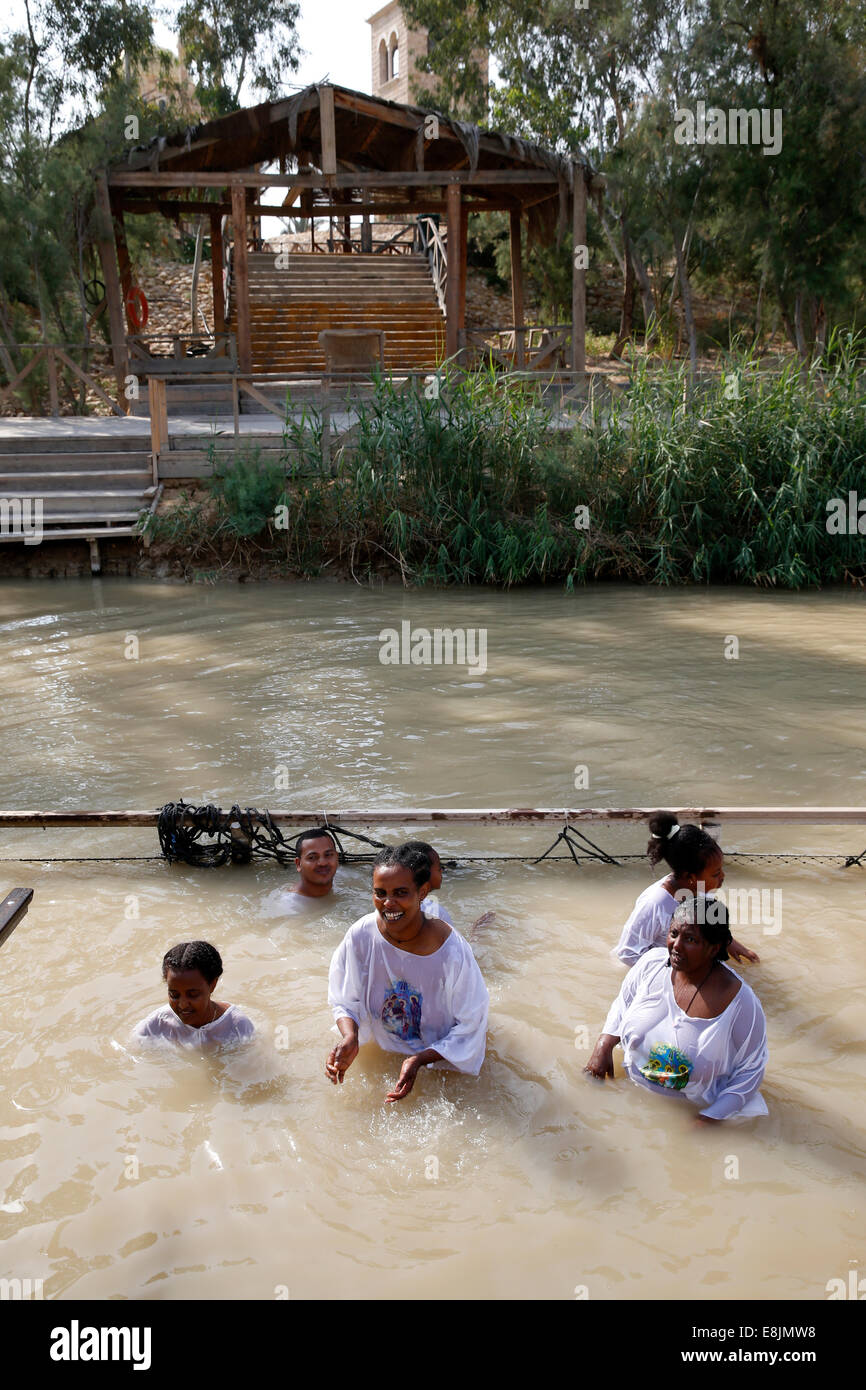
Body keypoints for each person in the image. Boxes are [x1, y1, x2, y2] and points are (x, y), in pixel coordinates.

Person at [326, 844, 489, 1102]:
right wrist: (350, 1036)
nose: (388, 903)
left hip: (438, 1057)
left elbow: (472, 1024)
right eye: (380, 893)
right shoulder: (360, 935)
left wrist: (419, 1060)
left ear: (422, 892)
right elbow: (343, 998)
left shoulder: (452, 951)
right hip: (383, 1050)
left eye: (401, 893)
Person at [587, 898, 768, 1122]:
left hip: (689, 1110)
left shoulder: (741, 1003)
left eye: (690, 939)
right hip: (631, 1097)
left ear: (714, 948)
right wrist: (603, 1046)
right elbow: (622, 1004)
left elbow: (751, 1071)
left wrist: (708, 1119)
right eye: (674, 933)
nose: (676, 945)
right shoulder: (651, 965)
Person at [613, 810, 759, 967]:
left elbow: (708, 921)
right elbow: (627, 953)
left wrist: (730, 943)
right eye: (716, 874)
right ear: (691, 877)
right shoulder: (656, 904)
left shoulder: (700, 890)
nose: (723, 876)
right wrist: (672, 971)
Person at [132, 940, 254, 1048]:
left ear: (213, 985)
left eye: (193, 994)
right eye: (174, 995)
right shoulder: (154, 1028)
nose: (183, 1005)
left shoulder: (237, 1026)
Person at [402, 839, 494, 936]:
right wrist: (475, 934)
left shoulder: (401, 904)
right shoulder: (436, 912)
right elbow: (453, 948)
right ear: (424, 874)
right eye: (438, 868)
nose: (441, 871)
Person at [267, 826, 341, 916]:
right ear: (298, 864)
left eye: (328, 855)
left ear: (337, 858)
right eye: (312, 857)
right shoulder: (289, 906)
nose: (322, 863)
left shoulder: (344, 880)